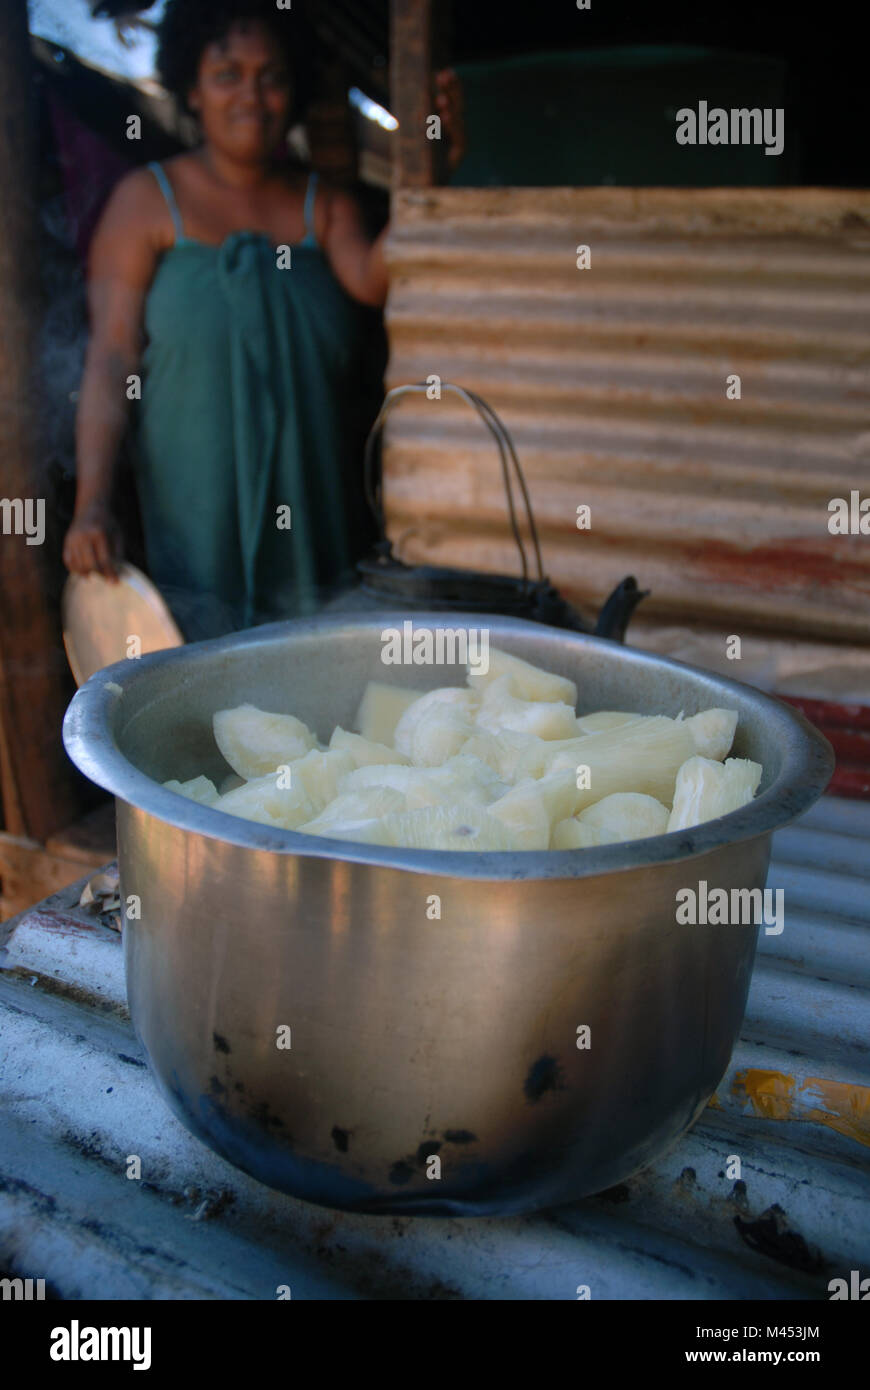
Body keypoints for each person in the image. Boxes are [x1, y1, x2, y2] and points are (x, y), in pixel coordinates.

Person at [63, 0, 464, 638]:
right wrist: (93, 506)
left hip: (313, 501)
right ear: (191, 90)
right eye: (228, 74)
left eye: (272, 76)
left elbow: (376, 275)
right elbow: (111, 360)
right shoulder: (145, 203)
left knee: (317, 667)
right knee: (199, 667)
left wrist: (433, 165)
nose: (252, 94)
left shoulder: (321, 205)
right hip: (193, 505)